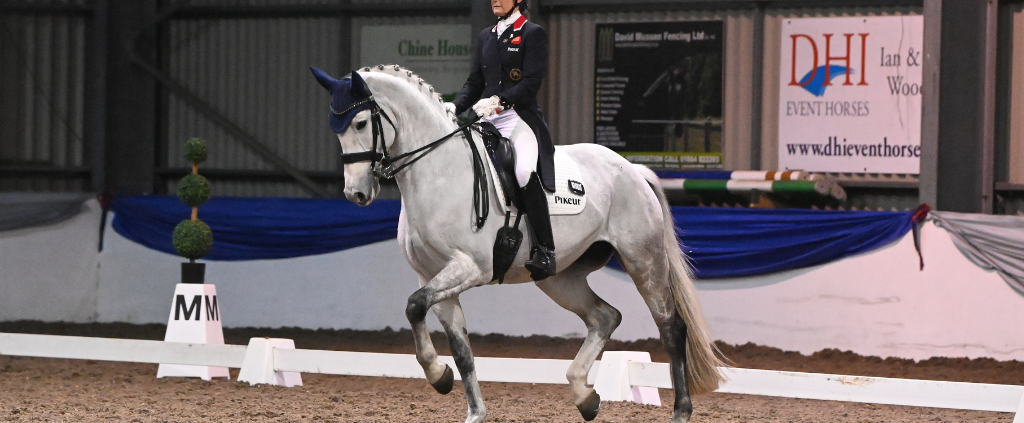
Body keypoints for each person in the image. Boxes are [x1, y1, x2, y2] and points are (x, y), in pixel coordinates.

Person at [445, 0, 556, 281]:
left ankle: (545, 249)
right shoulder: (486, 35)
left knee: (523, 171)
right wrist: (454, 107)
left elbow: (531, 82)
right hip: (487, 117)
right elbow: (474, 82)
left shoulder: (531, 33)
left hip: (518, 117)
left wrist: (500, 101)